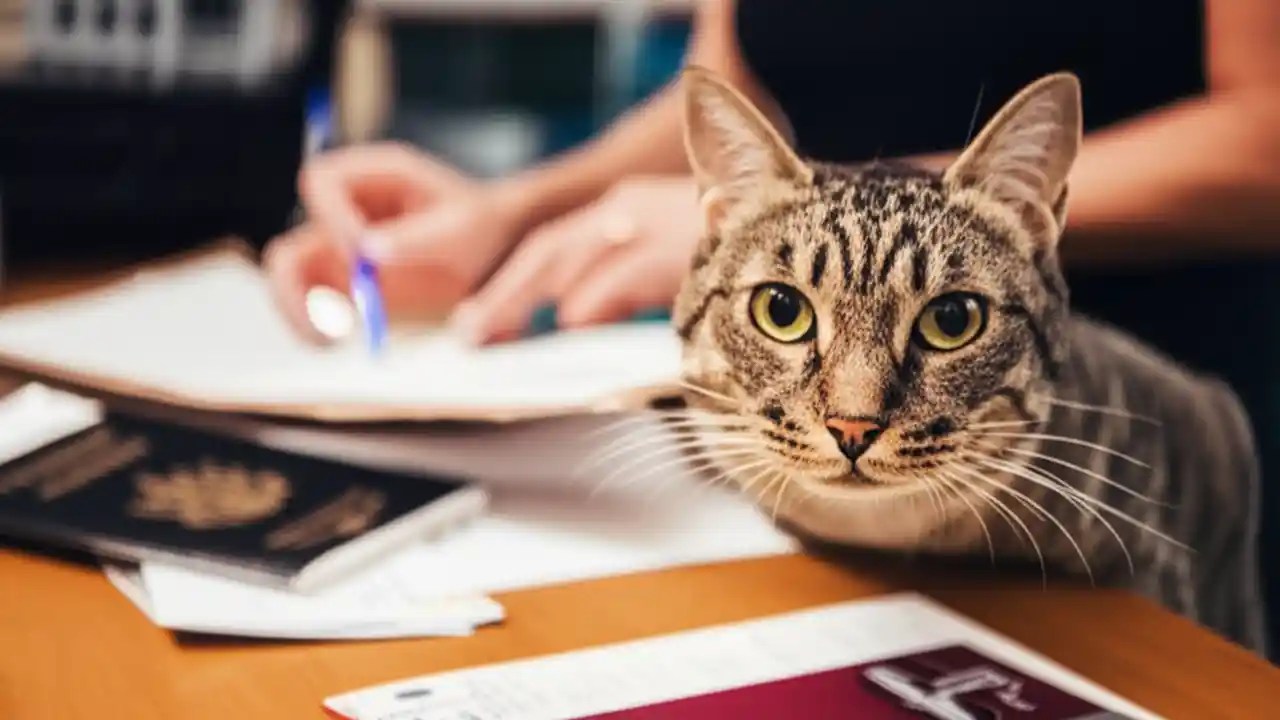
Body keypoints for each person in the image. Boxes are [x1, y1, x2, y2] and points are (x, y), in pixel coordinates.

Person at [265, 0, 1280, 652]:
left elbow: (1265, 132)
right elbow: (726, 95)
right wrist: (507, 211)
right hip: (810, 444)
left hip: (1103, 427)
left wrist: (842, 230)